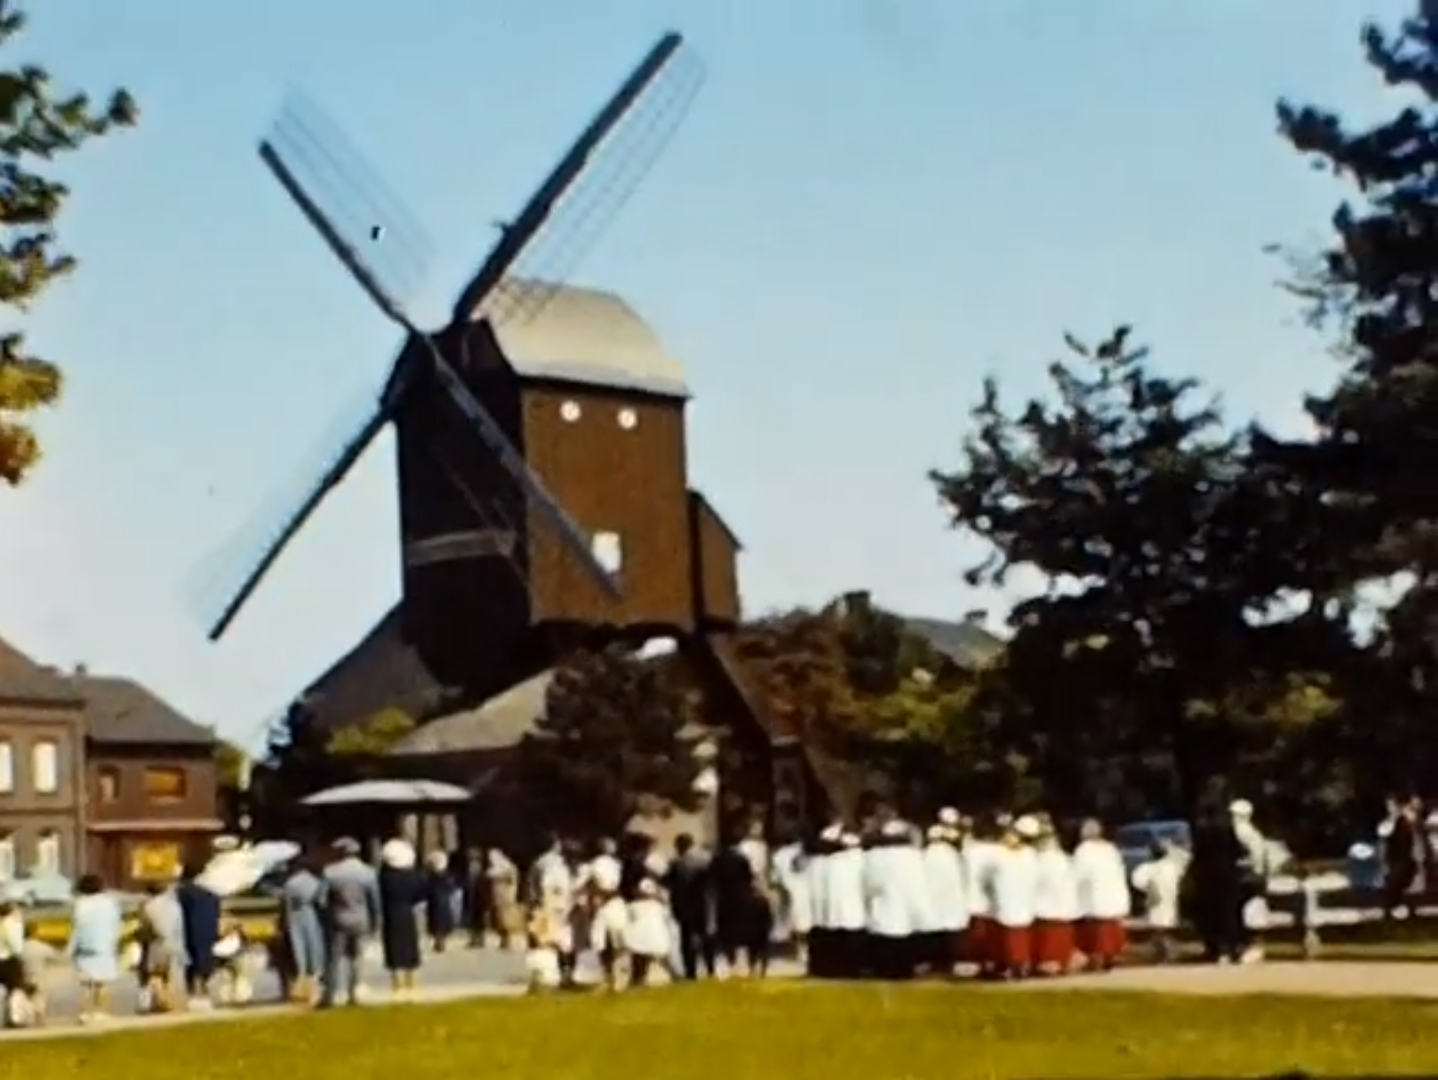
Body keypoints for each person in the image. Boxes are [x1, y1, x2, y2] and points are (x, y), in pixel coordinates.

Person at [319, 836, 381, 1008]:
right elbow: (374, 901)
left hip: (338, 918)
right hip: (361, 918)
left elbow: (322, 900)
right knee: (357, 957)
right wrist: (376, 922)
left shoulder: (330, 872)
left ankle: (329, 994)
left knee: (334, 958)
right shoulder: (367, 872)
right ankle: (354, 992)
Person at [1186, 804, 1246, 964]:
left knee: (1210, 915)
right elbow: (1239, 851)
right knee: (1229, 914)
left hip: (1207, 879)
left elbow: (1197, 854)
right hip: (1228, 877)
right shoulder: (1227, 831)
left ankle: (1215, 948)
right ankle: (1232, 948)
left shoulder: (1202, 833)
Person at [1072, 818, 1130, 971]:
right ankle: (1112, 954)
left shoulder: (1083, 850)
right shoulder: (1110, 848)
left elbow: (1079, 874)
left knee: (1098, 927)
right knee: (1110, 924)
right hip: (1112, 893)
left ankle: (1100, 955)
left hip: (1095, 895)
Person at [67, 873, 123, 1025]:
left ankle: (85, 1013)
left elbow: (77, 928)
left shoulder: (80, 904)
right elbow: (116, 925)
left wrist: (70, 949)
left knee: (86, 985)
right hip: (105, 948)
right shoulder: (110, 903)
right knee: (102, 984)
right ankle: (101, 1012)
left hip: (85, 949)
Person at [377, 838, 426, 1001]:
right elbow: (421, 894)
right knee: (411, 948)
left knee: (394, 950)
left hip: (391, 914)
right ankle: (412, 984)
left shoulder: (385, 877)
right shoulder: (413, 876)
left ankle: (398, 985)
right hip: (408, 913)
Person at [992, 817, 1040, 980]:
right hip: (1009, 897)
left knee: (1017, 933)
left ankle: (1019, 964)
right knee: (1012, 933)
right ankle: (1016, 963)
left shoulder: (1027, 854)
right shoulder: (1003, 853)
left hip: (1018, 897)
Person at [663, 833, 715, 980]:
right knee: (705, 937)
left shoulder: (676, 863)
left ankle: (691, 971)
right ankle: (709, 968)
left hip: (684, 905)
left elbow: (667, 882)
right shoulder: (704, 860)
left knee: (687, 940)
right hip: (701, 903)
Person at [921, 818, 968, 976]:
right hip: (952, 899)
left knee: (935, 933)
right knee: (951, 934)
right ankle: (949, 964)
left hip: (933, 900)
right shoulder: (953, 854)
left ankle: (934, 963)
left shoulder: (926, 854)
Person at [1031, 822, 1079, 975]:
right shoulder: (1066, 859)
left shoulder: (1039, 860)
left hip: (1046, 910)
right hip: (1062, 909)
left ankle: (1049, 962)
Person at [279, 852, 326, 1004]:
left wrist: (284, 923)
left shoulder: (290, 883)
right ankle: (314, 986)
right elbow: (322, 901)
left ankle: (300, 986)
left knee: (298, 948)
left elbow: (286, 906)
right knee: (314, 946)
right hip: (311, 915)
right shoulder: (315, 881)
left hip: (295, 916)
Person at [1132, 838, 1188, 964]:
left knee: (1160, 930)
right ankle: (1166, 953)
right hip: (1166, 901)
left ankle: (1168, 953)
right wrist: (1172, 847)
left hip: (1159, 902)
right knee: (1161, 930)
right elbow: (1183, 857)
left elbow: (1138, 881)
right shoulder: (1172, 866)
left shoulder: (1150, 868)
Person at [175, 860, 222, 1010]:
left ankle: (194, 994)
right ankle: (204, 994)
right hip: (207, 932)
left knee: (191, 965)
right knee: (204, 962)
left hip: (189, 931)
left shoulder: (182, 893)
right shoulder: (211, 894)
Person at [136, 879, 184, 1013]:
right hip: (170, 943)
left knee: (147, 973)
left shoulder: (146, 906)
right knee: (163, 973)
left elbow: (144, 926)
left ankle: (147, 1003)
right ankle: (162, 1000)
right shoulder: (173, 906)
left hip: (153, 942)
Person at [624, 877, 674, 987]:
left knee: (638, 958)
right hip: (657, 943)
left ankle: (637, 979)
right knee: (663, 958)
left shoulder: (632, 907)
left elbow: (628, 921)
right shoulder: (659, 907)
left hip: (639, 944)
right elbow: (667, 918)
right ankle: (672, 975)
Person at [0, 899, 29, 1026]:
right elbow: (17, 947)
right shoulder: (11, 923)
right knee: (15, 991)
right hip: (9, 961)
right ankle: (16, 1018)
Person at [423, 849, 457, 953]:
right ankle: (440, 940)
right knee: (441, 922)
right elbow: (451, 888)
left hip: (435, 901)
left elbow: (426, 889)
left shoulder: (431, 877)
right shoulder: (446, 876)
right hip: (444, 901)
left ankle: (439, 941)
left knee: (437, 922)